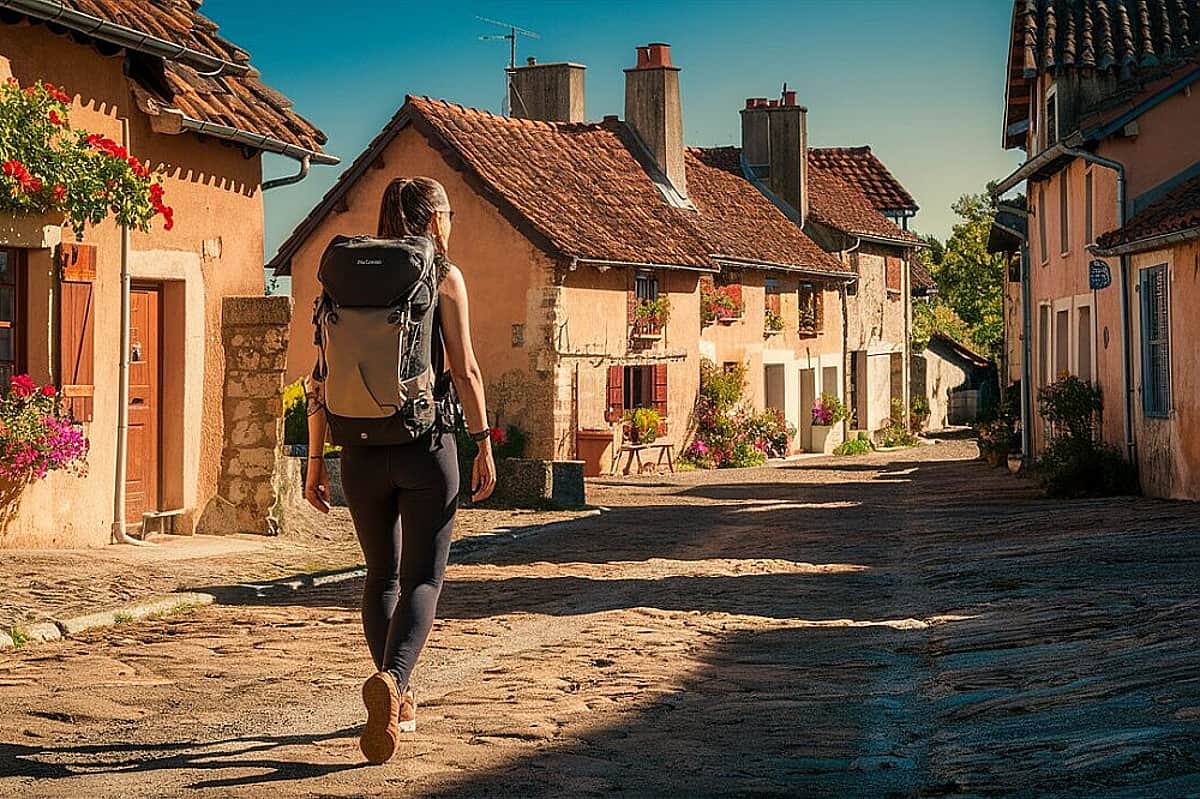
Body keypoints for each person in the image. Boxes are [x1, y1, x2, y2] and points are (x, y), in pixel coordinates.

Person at [303, 176, 496, 764]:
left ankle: (397, 697)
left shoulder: (345, 277)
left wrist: (315, 462)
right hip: (425, 446)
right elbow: (464, 370)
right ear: (435, 217)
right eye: (450, 213)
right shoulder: (442, 273)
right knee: (424, 578)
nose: (451, 223)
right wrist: (483, 440)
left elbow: (318, 378)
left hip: (358, 451)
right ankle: (395, 683)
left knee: (380, 575)